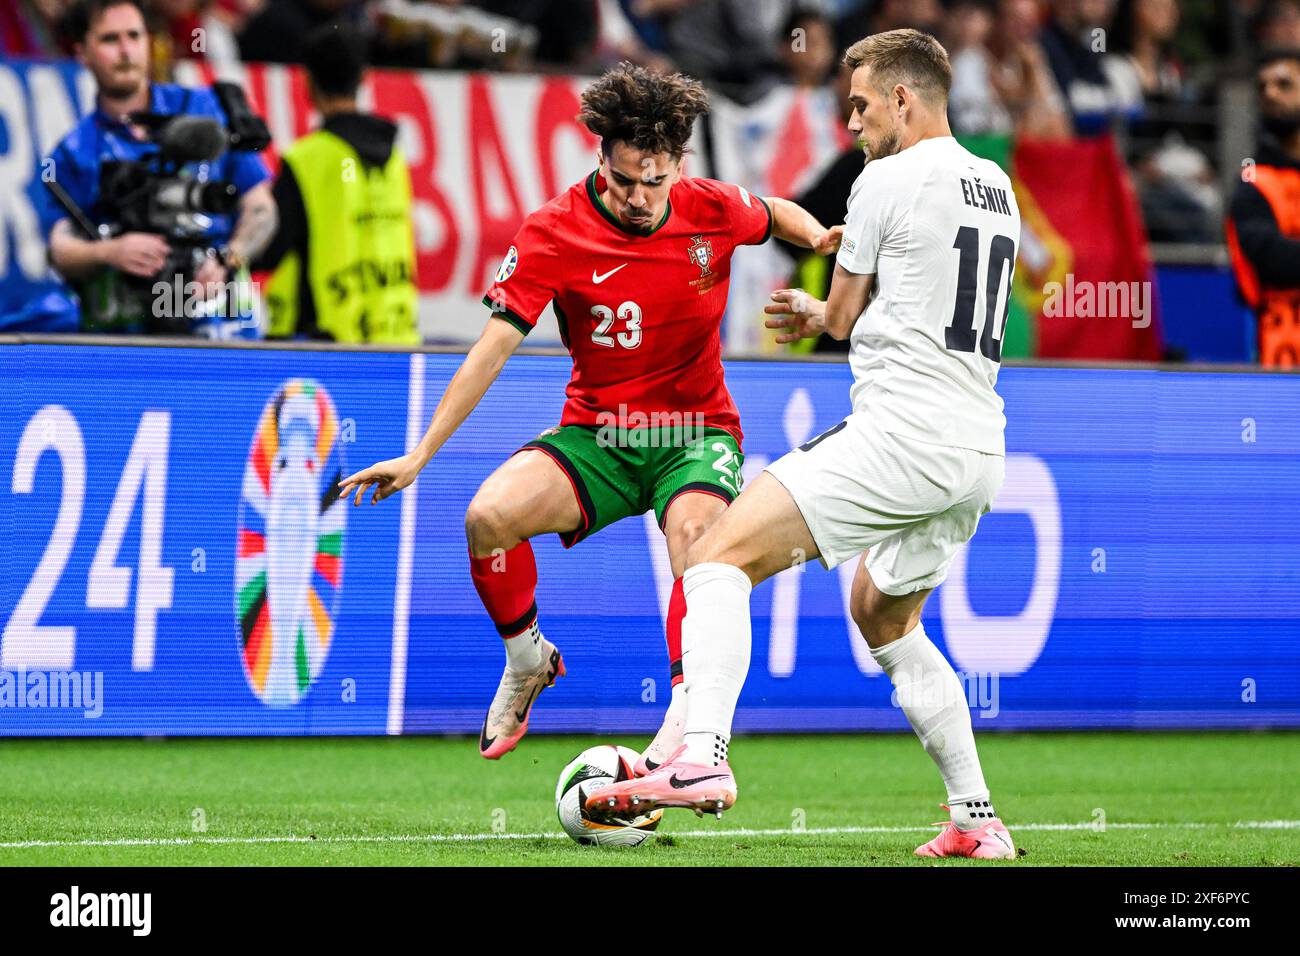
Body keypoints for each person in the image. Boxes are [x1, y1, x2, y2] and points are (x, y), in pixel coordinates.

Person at [588, 30, 1021, 861]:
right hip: (978, 447)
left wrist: (819, 314)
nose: (851, 123)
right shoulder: (994, 182)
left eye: (859, 105)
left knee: (717, 561)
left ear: (903, 98)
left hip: (904, 435)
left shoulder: (886, 178)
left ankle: (700, 759)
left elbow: (846, 314)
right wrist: (834, 316)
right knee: (883, 614)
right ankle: (976, 819)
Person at [337, 62, 841, 768]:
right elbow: (491, 350)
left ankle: (685, 722)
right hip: (599, 436)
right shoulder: (554, 230)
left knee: (698, 546)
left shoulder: (711, 207)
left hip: (695, 433)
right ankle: (526, 660)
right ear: (600, 156)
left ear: (678, 166)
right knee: (487, 518)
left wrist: (817, 238)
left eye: (654, 181)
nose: (639, 197)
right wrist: (421, 454)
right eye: (625, 178)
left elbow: (772, 212)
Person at [40, 0, 277, 336]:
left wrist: (230, 257)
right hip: (133, 334)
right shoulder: (73, 152)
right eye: (110, 39)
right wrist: (110, 252)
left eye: (134, 36)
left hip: (224, 323)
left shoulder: (203, 107)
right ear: (83, 53)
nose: (126, 51)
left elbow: (261, 206)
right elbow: (60, 248)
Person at [256, 22, 419, 344]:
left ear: (308, 82)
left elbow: (267, 249)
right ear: (363, 77)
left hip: (322, 341)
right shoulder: (396, 159)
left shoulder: (307, 159)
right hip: (395, 338)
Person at [1226, 49, 1300, 367]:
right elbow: (1270, 258)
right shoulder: (1253, 181)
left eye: (1284, 85)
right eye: (1262, 87)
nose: (1270, 94)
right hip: (1281, 354)